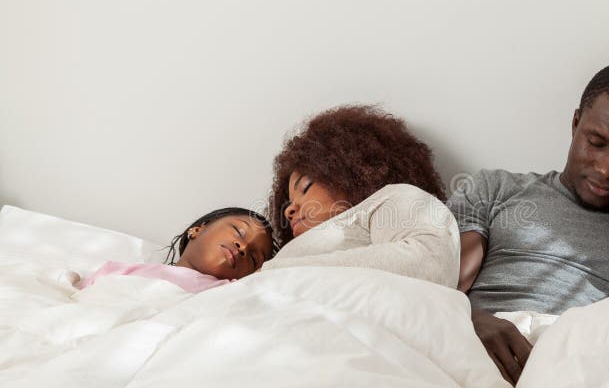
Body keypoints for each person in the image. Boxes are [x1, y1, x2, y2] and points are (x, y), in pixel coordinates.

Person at [447, 61, 609, 383]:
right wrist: (470, 319)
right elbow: (435, 282)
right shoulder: (494, 189)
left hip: (583, 374)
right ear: (575, 124)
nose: (608, 169)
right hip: (470, 353)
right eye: (596, 143)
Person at [263, 104, 460, 288]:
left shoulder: (394, 197)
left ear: (351, 175)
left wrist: (269, 273)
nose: (288, 210)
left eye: (305, 187)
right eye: (288, 202)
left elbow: (430, 262)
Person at [79, 207, 273, 293]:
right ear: (198, 229)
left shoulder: (226, 291)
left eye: (254, 258)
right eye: (238, 230)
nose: (244, 247)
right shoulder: (124, 270)